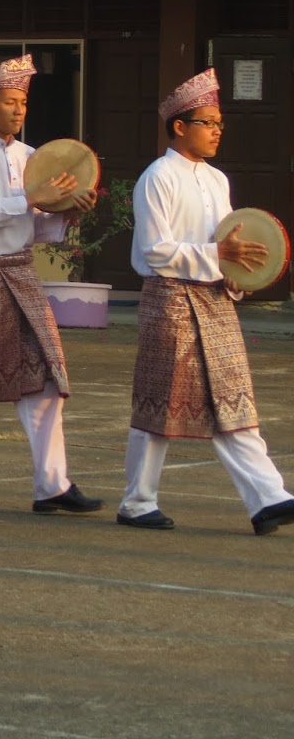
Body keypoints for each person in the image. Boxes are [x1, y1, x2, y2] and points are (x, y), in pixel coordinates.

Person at [119, 69, 294, 535]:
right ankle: (137, 502)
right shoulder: (156, 178)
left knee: (234, 399)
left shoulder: (217, 180)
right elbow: (155, 249)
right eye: (209, 122)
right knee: (161, 404)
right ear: (180, 126)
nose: (218, 131)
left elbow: (229, 241)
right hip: (170, 299)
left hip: (215, 300)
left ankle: (268, 499)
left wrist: (239, 276)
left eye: (220, 124)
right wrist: (219, 255)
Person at [0, 54, 103, 517]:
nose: (18, 110)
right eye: (9, 101)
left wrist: (67, 210)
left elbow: (42, 229)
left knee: (48, 380)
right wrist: (34, 198)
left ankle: (52, 486)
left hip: (23, 272)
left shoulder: (31, 157)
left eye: (23, 102)